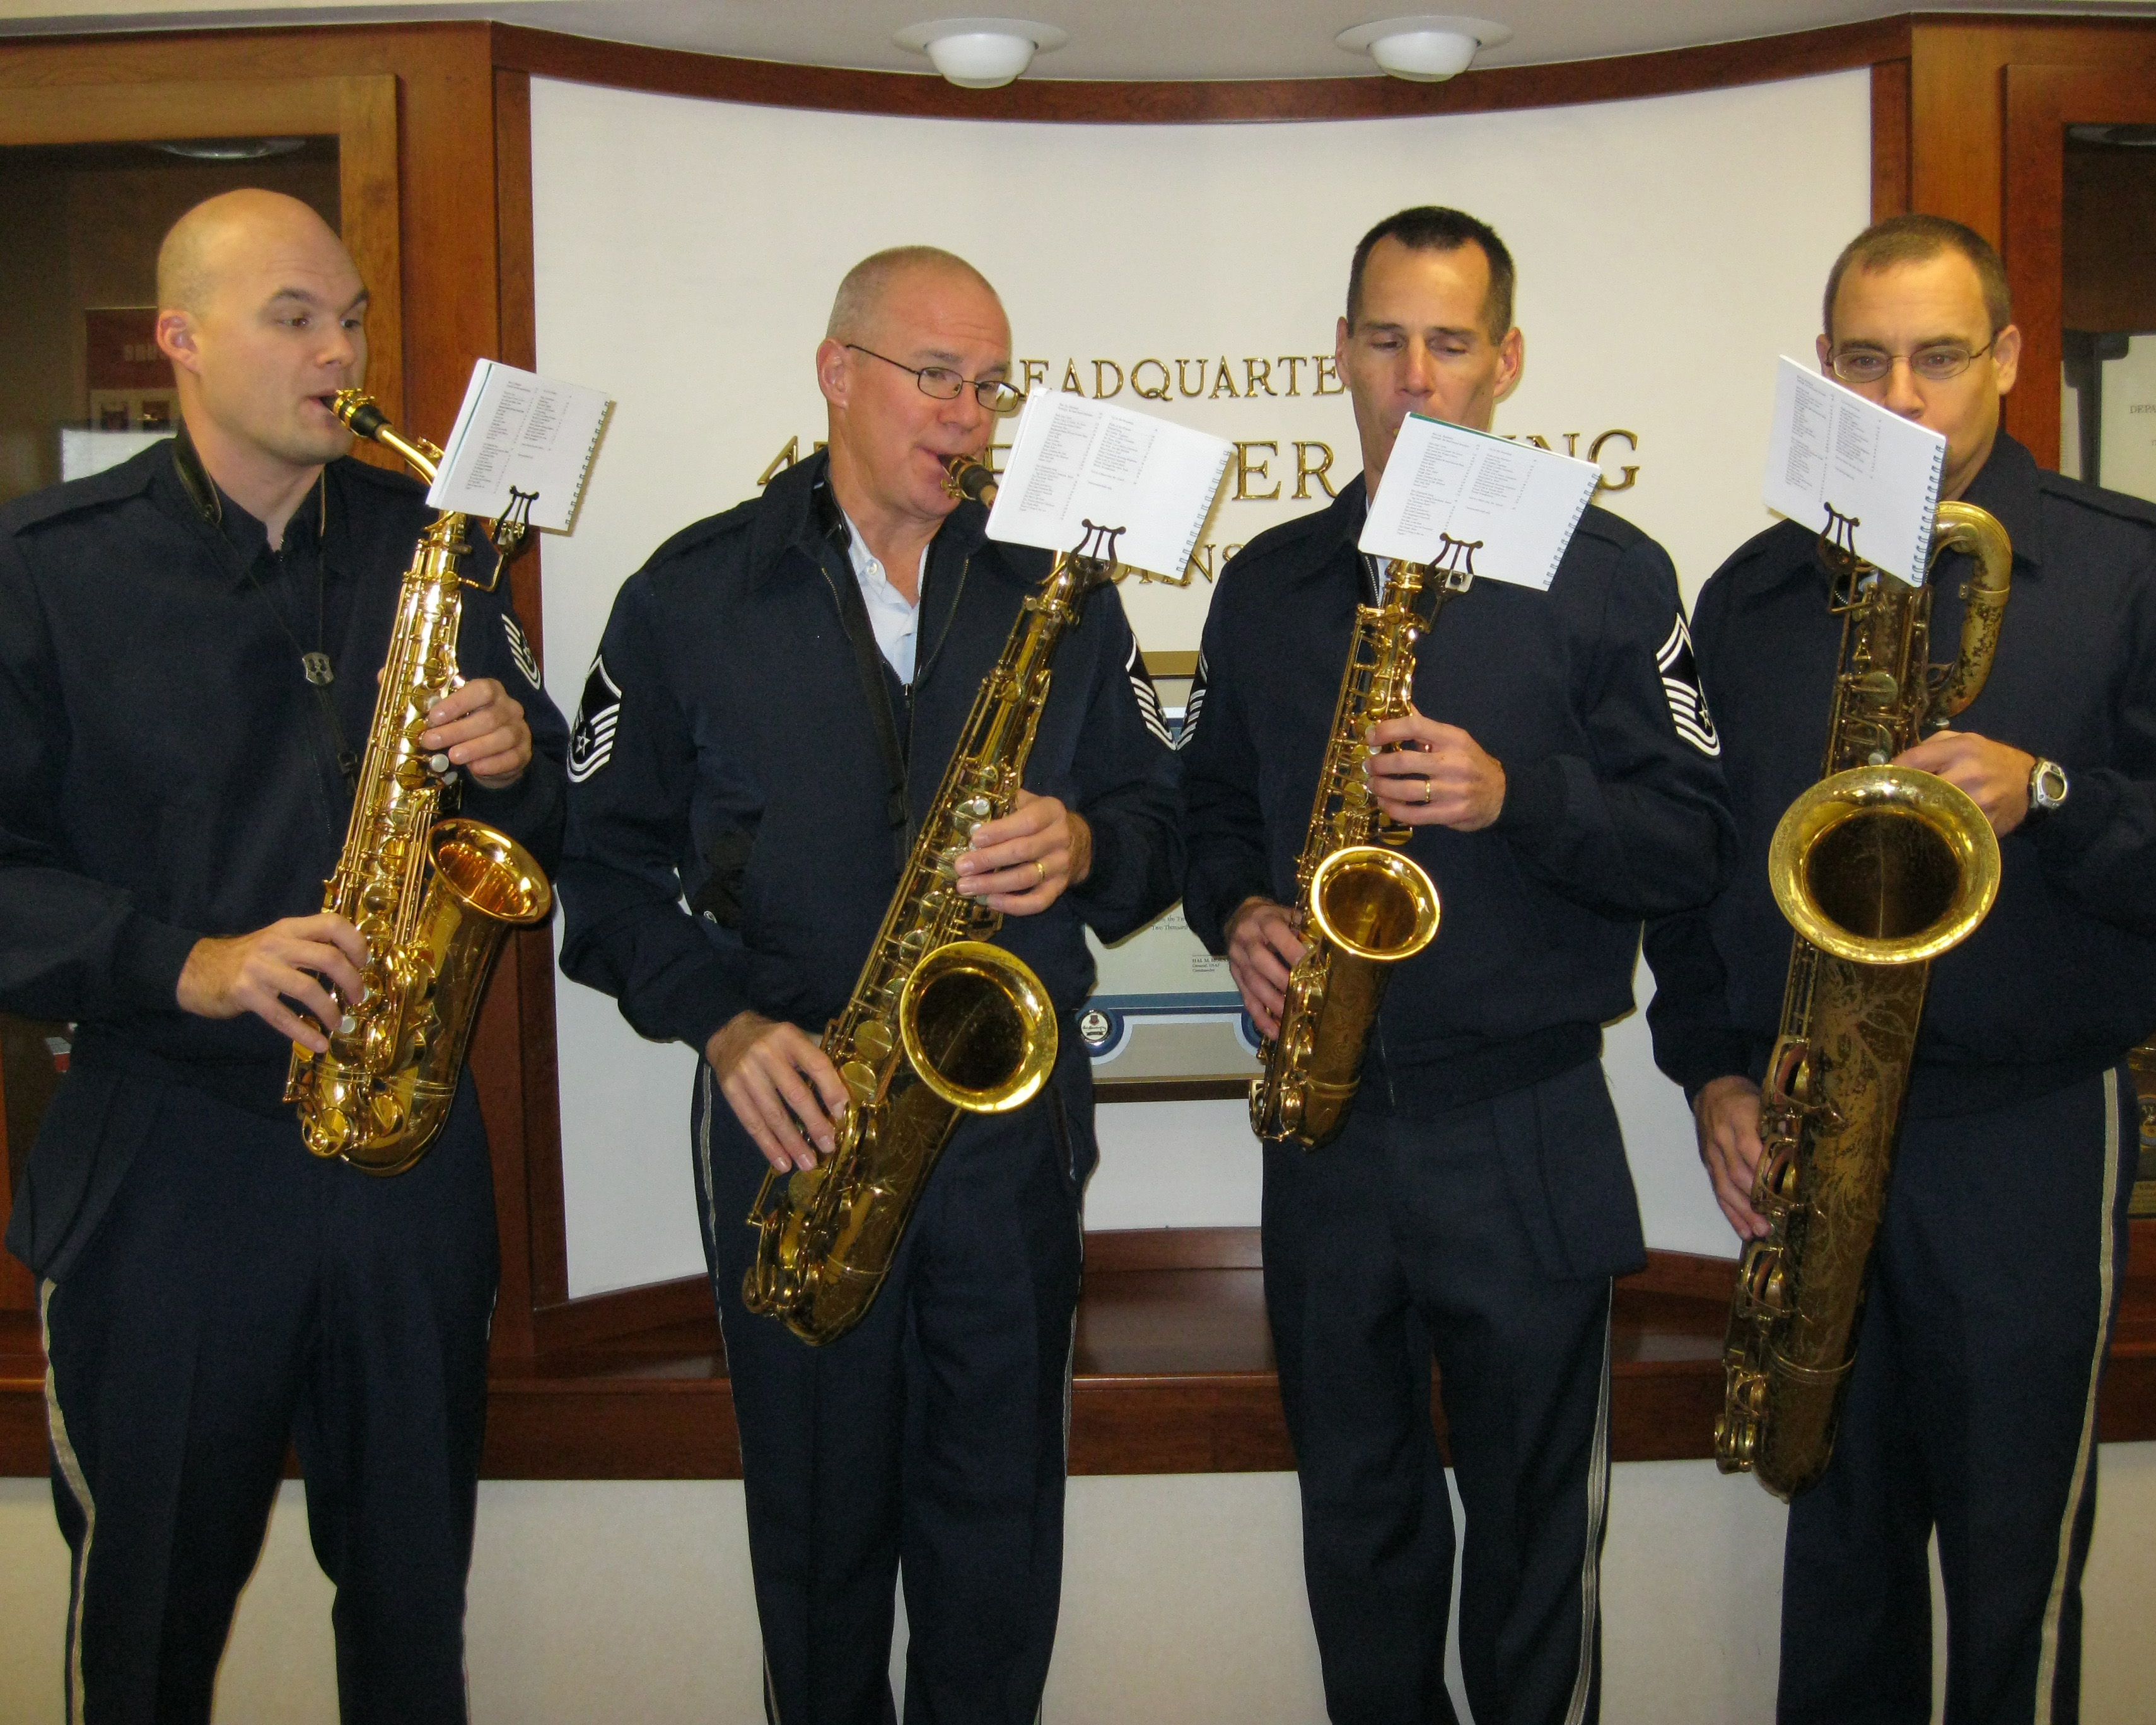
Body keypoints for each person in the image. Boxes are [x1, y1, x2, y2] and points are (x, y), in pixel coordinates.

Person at [1644, 214, 2156, 1724]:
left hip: (2030, 1133)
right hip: (1814, 1124)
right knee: (1839, 1553)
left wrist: (2049, 791)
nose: (1905, 397)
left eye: (1940, 356)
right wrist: (1717, 1070)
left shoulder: (2137, 568)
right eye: (1866, 361)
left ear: (2007, 357)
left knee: (2011, 1573)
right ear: (1826, 371)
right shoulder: (1751, 596)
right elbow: (1702, 869)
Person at [556, 244, 1182, 1724]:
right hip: (798, 1132)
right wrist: (722, 1021)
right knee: (820, 1563)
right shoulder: (689, 594)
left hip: (1007, 1142)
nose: (969, 419)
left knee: (997, 1556)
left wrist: (1087, 839)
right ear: (837, 372)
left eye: (989, 387)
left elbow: (1163, 825)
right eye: (936, 378)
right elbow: (596, 859)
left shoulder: (1060, 592)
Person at [0, 189, 567, 1724]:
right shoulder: (46, 564)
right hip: (168, 1177)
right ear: (178, 340)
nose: (341, 350)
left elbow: (556, 817)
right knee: (147, 1628)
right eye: (295, 318)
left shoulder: (429, 544)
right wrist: (182, 962)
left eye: (355, 316)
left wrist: (518, 757)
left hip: (401, 1172)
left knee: (408, 1623)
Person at [1181, 206, 1736, 1724]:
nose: (1414, 378)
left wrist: (1519, 796)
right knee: (1356, 1537)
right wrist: (1237, 912)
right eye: (1383, 338)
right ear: (1340, 355)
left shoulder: (1612, 570)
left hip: (1528, 1122)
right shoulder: (1273, 583)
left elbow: (1692, 841)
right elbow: (1209, 810)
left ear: (1506, 362)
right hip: (1331, 1129)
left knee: (1536, 1548)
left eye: (1448, 342)